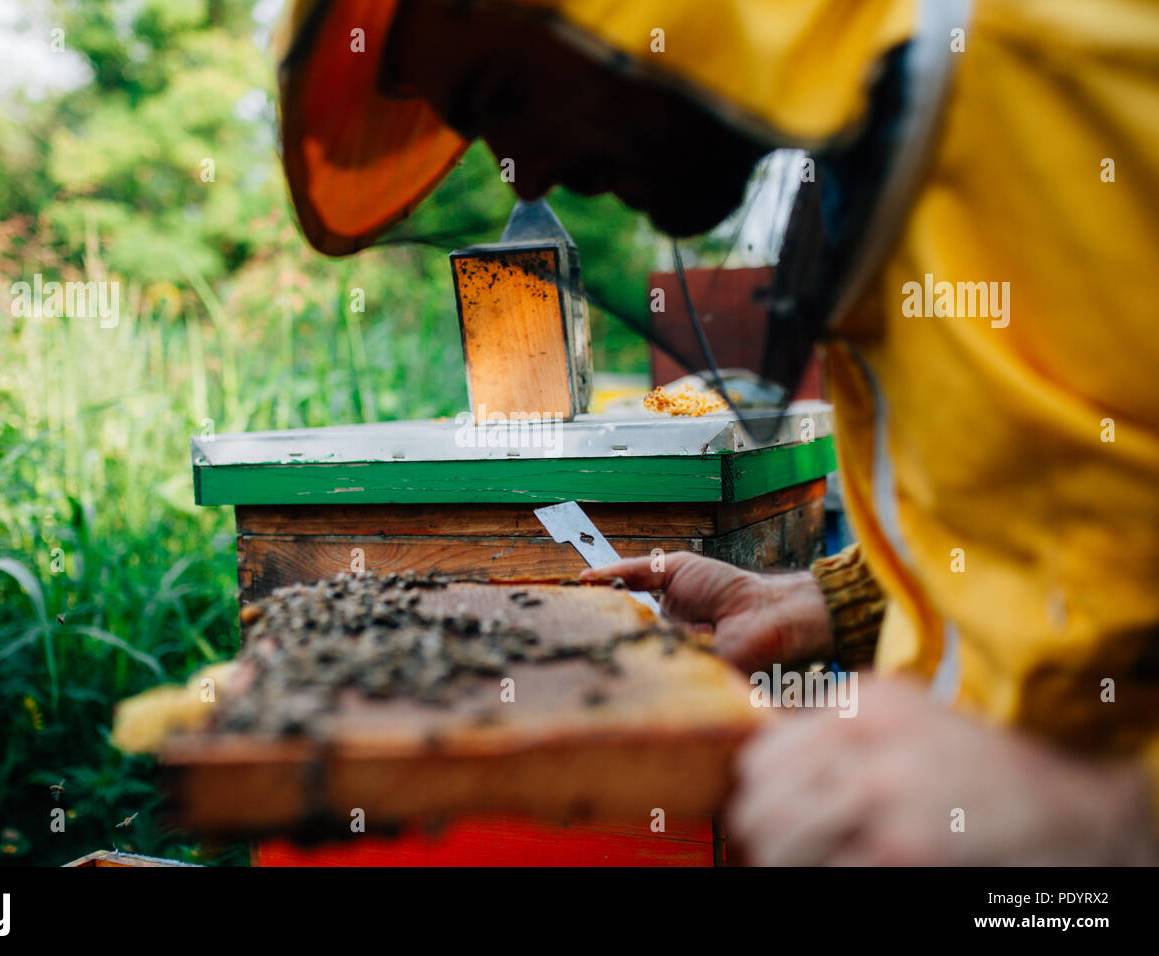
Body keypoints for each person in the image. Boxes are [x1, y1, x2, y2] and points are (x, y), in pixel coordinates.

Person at [275, 0, 1159, 863]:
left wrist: (1107, 816)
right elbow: (1069, 538)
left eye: (504, 94)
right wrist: (823, 602)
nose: (525, 173)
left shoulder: (1070, 58)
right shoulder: (879, 139)